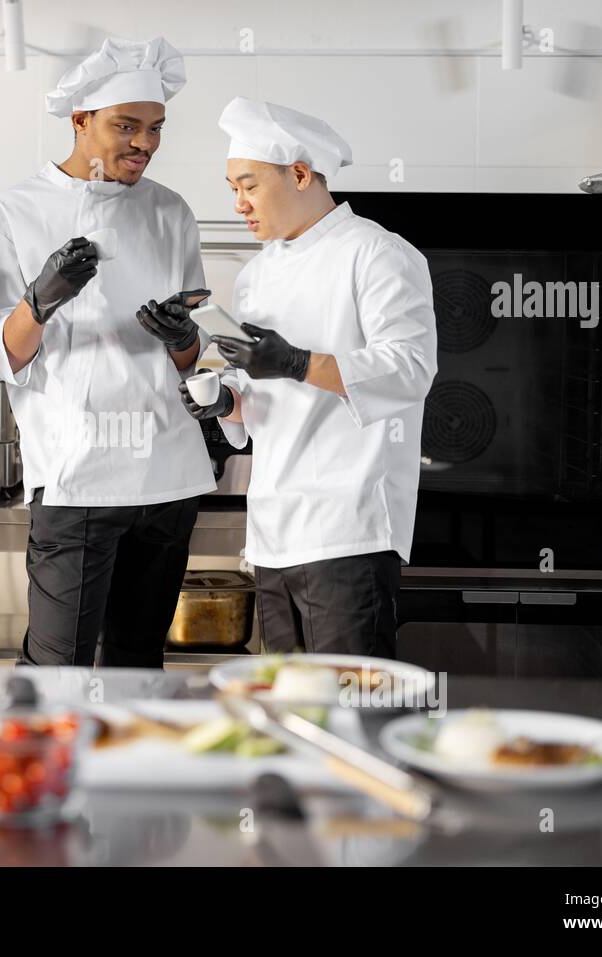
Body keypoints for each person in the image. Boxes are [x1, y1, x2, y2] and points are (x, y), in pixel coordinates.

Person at [0, 37, 215, 668]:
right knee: (58, 673)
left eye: (156, 129)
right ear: (80, 120)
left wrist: (184, 340)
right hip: (76, 475)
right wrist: (41, 300)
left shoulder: (171, 213)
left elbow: (196, 362)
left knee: (138, 670)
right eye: (126, 126)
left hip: (167, 474)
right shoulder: (14, 213)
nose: (144, 144)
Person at [180, 97, 437, 657]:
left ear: (299, 173)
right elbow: (264, 402)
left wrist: (297, 362)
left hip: (349, 529)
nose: (239, 203)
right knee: (291, 711)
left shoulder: (378, 255)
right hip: (273, 533)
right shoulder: (255, 276)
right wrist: (222, 401)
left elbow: (410, 370)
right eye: (231, 188)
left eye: (248, 185)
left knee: (349, 713)